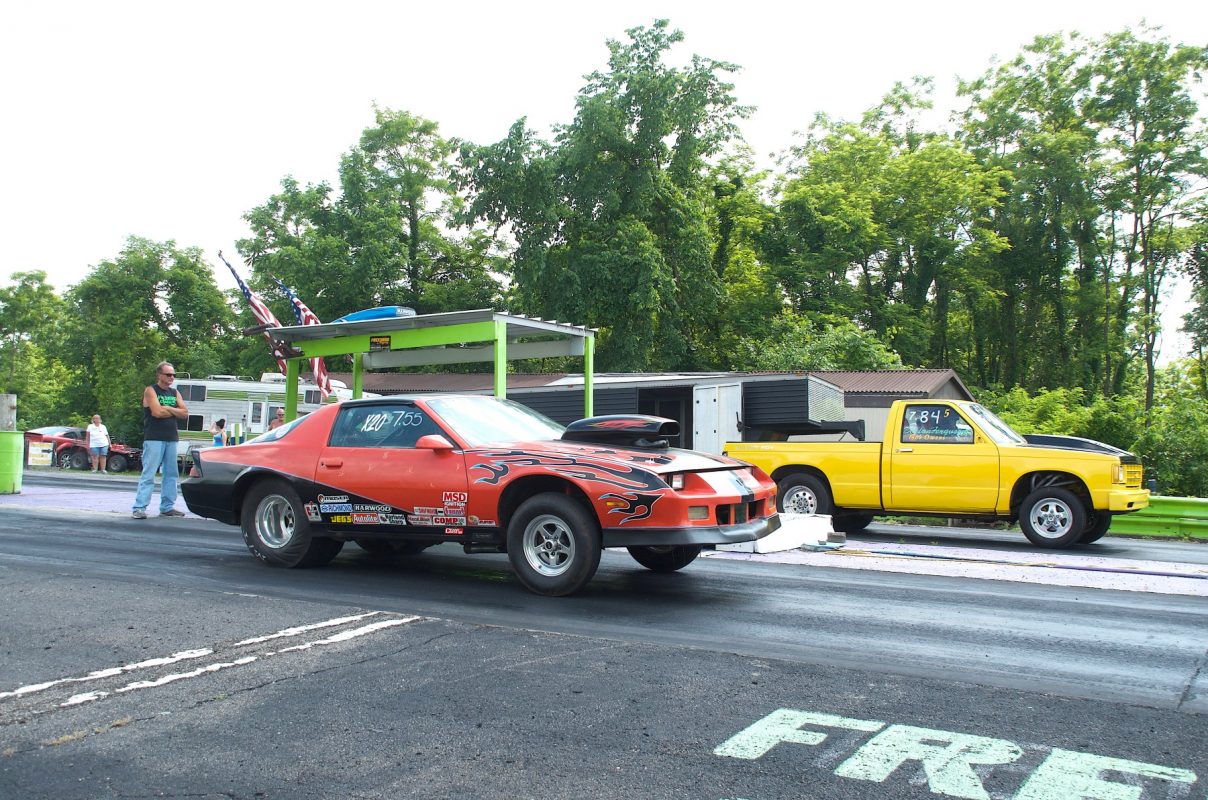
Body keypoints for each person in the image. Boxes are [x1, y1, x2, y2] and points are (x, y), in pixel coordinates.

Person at [132, 361, 189, 519]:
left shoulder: (174, 392)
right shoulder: (151, 391)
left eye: (173, 375)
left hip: (171, 437)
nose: (172, 377)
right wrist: (174, 410)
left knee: (171, 474)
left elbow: (185, 413)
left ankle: (167, 506)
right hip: (154, 438)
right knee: (149, 474)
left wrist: (169, 409)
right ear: (159, 375)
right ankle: (139, 508)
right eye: (168, 374)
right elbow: (156, 412)